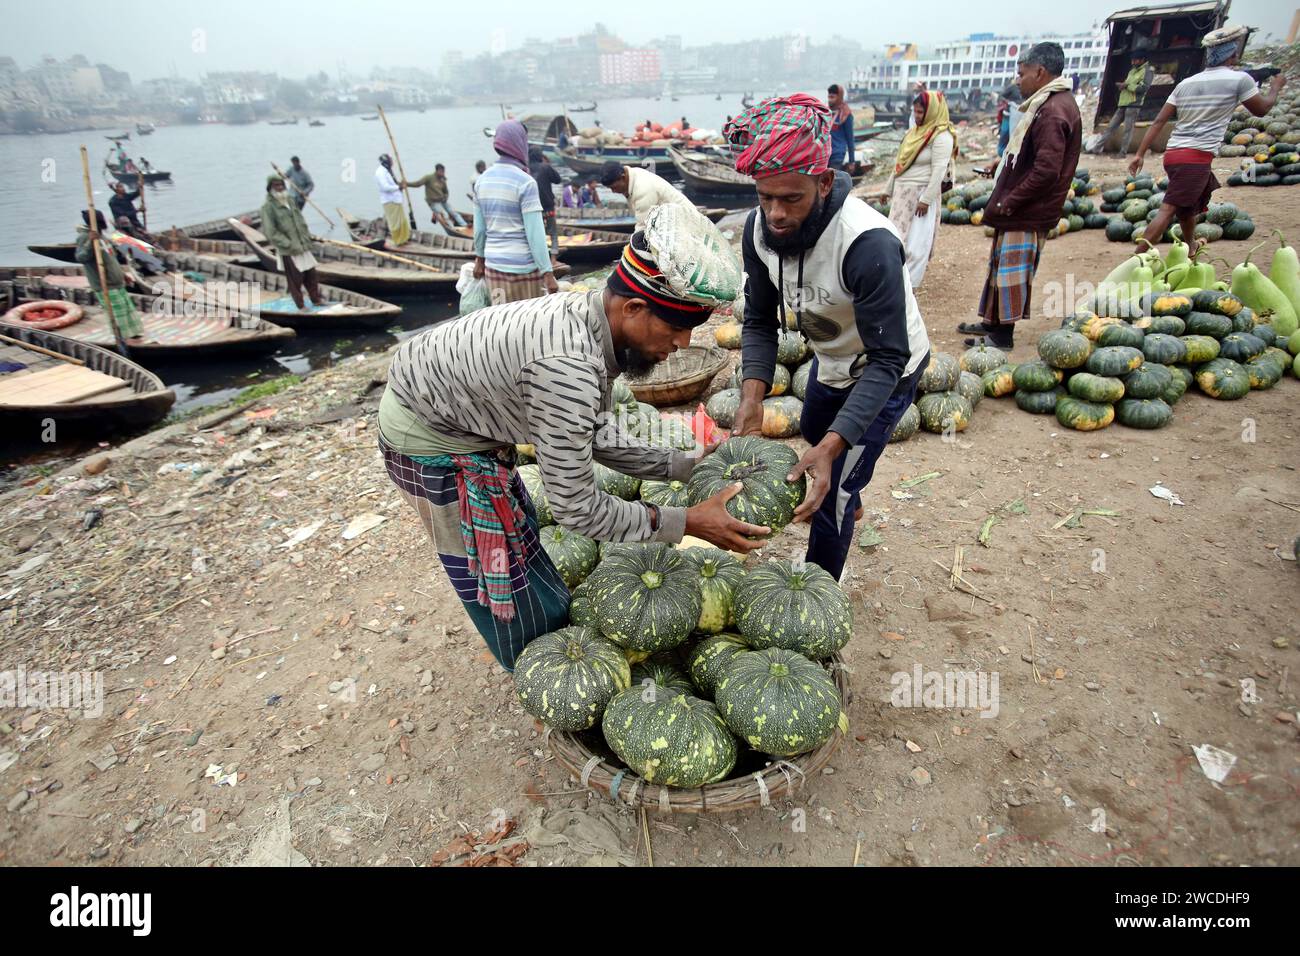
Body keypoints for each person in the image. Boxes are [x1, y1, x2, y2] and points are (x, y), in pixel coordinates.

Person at [377, 204, 763, 669]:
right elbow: (576, 508)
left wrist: (681, 465)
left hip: (455, 410)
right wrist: (686, 522)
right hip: (431, 439)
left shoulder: (589, 314)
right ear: (634, 307)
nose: (682, 344)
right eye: (677, 329)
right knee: (497, 567)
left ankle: (545, 630)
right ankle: (542, 666)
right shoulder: (568, 367)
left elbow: (593, 430)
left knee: (520, 534)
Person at [723, 95, 932, 582]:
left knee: (831, 484)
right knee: (817, 432)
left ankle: (817, 591)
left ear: (822, 182)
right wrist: (752, 397)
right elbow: (757, 319)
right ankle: (847, 485)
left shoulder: (867, 243)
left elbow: (887, 359)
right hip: (831, 358)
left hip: (888, 370)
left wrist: (834, 450)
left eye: (790, 199)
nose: (775, 213)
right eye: (764, 197)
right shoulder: (759, 232)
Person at [961, 43, 1080, 350]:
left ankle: (1001, 337)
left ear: (1040, 72)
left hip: (1029, 209)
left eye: (1021, 73)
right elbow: (1032, 156)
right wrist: (1002, 165)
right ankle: (991, 323)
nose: (1017, 80)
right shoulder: (1049, 103)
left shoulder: (1053, 110)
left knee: (1012, 272)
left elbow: (1046, 171)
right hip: (1024, 207)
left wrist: (1010, 200)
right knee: (1001, 267)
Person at [1130, 24, 1286, 253]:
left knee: (1188, 207)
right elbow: (1261, 110)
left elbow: (1158, 122)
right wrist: (1275, 88)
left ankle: (1191, 246)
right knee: (1168, 209)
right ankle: (1134, 261)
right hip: (1196, 157)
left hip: (1174, 154)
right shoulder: (1239, 80)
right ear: (1233, 54)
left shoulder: (1186, 83)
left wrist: (1139, 154)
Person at [875, 89, 957, 288]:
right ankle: (896, 280)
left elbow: (938, 170)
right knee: (897, 238)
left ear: (932, 111)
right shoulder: (914, 133)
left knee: (916, 244)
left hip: (920, 197)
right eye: (916, 112)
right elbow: (900, 163)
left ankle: (909, 285)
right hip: (903, 196)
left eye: (921, 112)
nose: (917, 116)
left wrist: (926, 200)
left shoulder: (942, 136)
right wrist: (888, 189)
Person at [472, 120, 558, 303]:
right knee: (528, 328)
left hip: (494, 268)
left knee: (500, 326)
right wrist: (548, 272)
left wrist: (479, 260)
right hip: (523, 270)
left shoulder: (481, 181)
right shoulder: (525, 182)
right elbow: (535, 234)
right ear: (520, 144)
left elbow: (479, 231)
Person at [75, 210, 143, 340]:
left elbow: (111, 259)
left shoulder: (102, 237)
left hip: (116, 281)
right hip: (105, 284)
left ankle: (133, 335)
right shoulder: (85, 237)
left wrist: (123, 274)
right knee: (117, 314)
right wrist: (90, 242)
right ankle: (122, 339)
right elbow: (81, 257)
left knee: (127, 310)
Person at [261, 173, 325, 309]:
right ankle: (301, 306)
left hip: (302, 244)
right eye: (276, 185)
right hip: (289, 249)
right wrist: (287, 244)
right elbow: (270, 232)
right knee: (295, 279)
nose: (279, 188)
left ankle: (316, 299)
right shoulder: (268, 207)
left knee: (311, 274)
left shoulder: (290, 200)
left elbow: (300, 220)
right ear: (270, 188)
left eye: (281, 185)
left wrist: (307, 237)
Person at [1090, 54, 1152, 156]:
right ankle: (1096, 148)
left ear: (1142, 59)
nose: (1133, 62)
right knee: (1110, 127)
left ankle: (1123, 153)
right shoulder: (1132, 71)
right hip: (1123, 103)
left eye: (1135, 60)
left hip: (1134, 104)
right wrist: (1123, 86)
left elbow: (1144, 88)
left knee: (1128, 130)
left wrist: (1127, 86)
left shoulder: (1147, 71)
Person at [598, 160, 692, 227]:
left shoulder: (642, 188)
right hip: (670, 222)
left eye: (614, 187)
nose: (613, 191)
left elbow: (643, 227)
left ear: (623, 177)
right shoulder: (633, 175)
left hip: (685, 223)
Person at [405, 163, 467, 230]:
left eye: (443, 171)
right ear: (437, 171)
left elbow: (446, 191)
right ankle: (452, 228)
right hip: (433, 202)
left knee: (453, 212)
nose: (443, 173)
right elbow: (418, 184)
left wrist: (446, 197)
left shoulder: (443, 179)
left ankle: (465, 225)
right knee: (444, 214)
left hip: (442, 200)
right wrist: (407, 184)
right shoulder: (428, 177)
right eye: (441, 172)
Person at [529, 146, 562, 254]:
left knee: (534, 233)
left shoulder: (525, 169)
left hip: (531, 207)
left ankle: (537, 255)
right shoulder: (546, 167)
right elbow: (558, 180)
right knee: (553, 233)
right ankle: (553, 258)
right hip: (547, 206)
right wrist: (548, 163)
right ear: (541, 156)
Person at [375, 153, 410, 246]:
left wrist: (400, 184)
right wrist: (398, 187)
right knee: (394, 222)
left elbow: (393, 183)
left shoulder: (387, 170)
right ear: (386, 161)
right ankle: (398, 241)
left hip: (396, 199)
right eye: (390, 160)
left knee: (401, 220)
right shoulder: (380, 172)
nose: (392, 162)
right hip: (389, 200)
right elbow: (385, 187)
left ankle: (403, 239)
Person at [827, 83, 855, 170]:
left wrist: (851, 161)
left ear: (839, 97)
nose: (829, 100)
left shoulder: (846, 115)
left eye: (832, 97)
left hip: (837, 154)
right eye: (829, 97)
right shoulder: (826, 112)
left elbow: (850, 139)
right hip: (825, 154)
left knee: (832, 181)